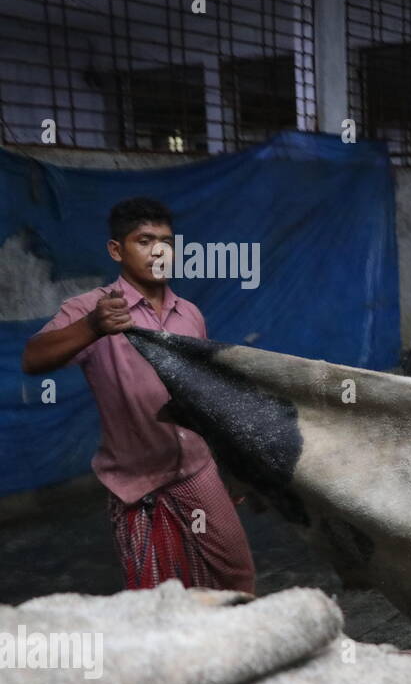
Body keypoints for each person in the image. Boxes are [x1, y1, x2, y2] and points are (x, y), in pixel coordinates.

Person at [22, 197, 256, 593]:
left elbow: (203, 394)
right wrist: (91, 327)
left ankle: (239, 653)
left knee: (235, 578)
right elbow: (33, 358)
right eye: (144, 240)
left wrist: (228, 464)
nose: (159, 251)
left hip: (198, 470)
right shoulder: (93, 310)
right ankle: (175, 655)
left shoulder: (190, 314)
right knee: (157, 596)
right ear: (117, 249)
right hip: (136, 482)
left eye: (166, 241)